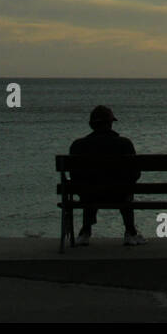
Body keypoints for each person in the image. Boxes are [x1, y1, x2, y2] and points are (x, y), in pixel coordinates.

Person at [68, 104, 146, 246]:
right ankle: (130, 232)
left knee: (89, 187)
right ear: (110, 123)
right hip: (119, 194)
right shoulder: (124, 144)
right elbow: (135, 173)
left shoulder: (78, 146)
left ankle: (85, 232)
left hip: (89, 195)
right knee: (126, 188)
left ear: (91, 125)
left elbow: (74, 176)